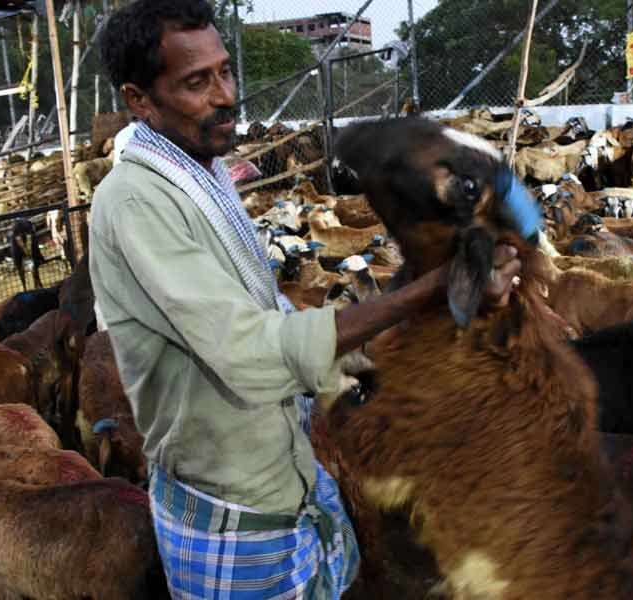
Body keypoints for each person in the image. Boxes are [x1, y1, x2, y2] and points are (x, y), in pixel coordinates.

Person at [93, 1, 520, 597]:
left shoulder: (202, 171)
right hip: (234, 514)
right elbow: (249, 350)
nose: (225, 94)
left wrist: (374, 354)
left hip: (284, 478)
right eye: (197, 82)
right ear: (139, 99)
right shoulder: (139, 201)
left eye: (225, 71)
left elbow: (272, 314)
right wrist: (433, 286)